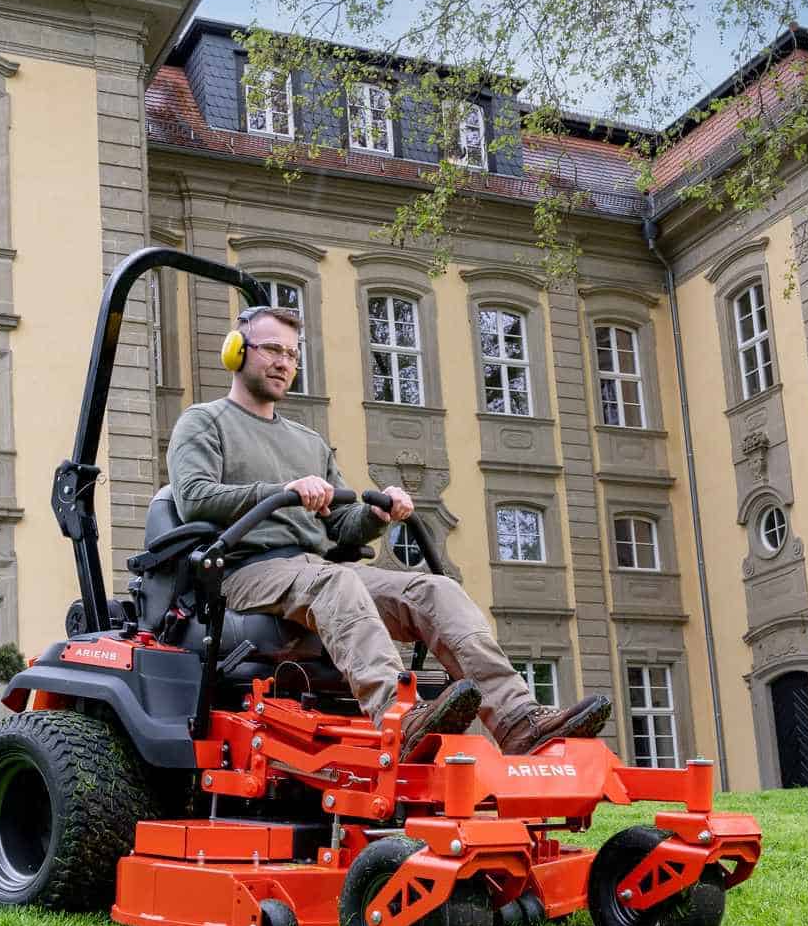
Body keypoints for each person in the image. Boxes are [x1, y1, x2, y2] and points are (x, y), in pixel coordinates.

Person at [165, 302, 614, 757]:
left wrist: (378, 516)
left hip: (312, 571)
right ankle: (398, 716)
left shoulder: (309, 442)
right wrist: (282, 489)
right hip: (242, 571)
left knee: (434, 590)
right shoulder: (204, 422)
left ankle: (518, 719)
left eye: (293, 354)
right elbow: (194, 496)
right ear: (237, 351)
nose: (284, 362)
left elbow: (342, 525)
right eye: (272, 350)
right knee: (335, 582)